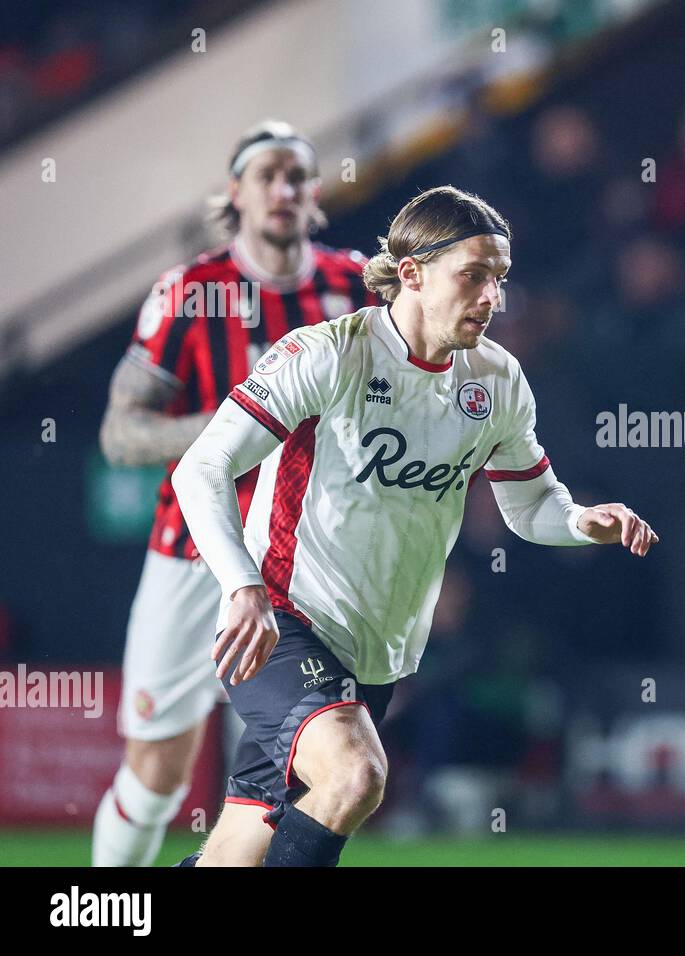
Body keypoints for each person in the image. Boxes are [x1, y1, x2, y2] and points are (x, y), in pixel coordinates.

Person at [169, 185, 658, 866]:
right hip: (281, 622)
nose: (493, 297)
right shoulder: (330, 353)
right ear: (412, 274)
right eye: (474, 276)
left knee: (235, 857)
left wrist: (580, 521)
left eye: (500, 278)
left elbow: (530, 505)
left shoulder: (496, 380)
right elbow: (201, 468)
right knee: (356, 776)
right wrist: (241, 587)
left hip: (373, 651)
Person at [93, 120, 378, 867]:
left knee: (285, 772)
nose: (284, 190)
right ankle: (103, 909)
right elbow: (121, 433)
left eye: (298, 176)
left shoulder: (357, 287)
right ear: (236, 193)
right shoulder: (191, 290)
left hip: (305, 560)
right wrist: (239, 426)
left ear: (315, 194)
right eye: (268, 176)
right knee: (159, 772)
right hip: (193, 552)